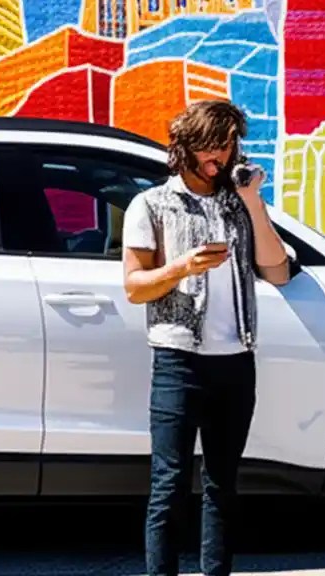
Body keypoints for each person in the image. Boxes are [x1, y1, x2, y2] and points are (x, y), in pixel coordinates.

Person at [121, 99, 298, 576]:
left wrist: (254, 202)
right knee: (169, 484)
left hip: (237, 361)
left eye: (227, 144)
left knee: (222, 484)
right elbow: (135, 287)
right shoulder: (152, 204)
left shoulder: (236, 204)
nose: (220, 155)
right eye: (211, 146)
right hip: (180, 359)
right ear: (187, 149)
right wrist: (183, 266)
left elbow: (277, 271)